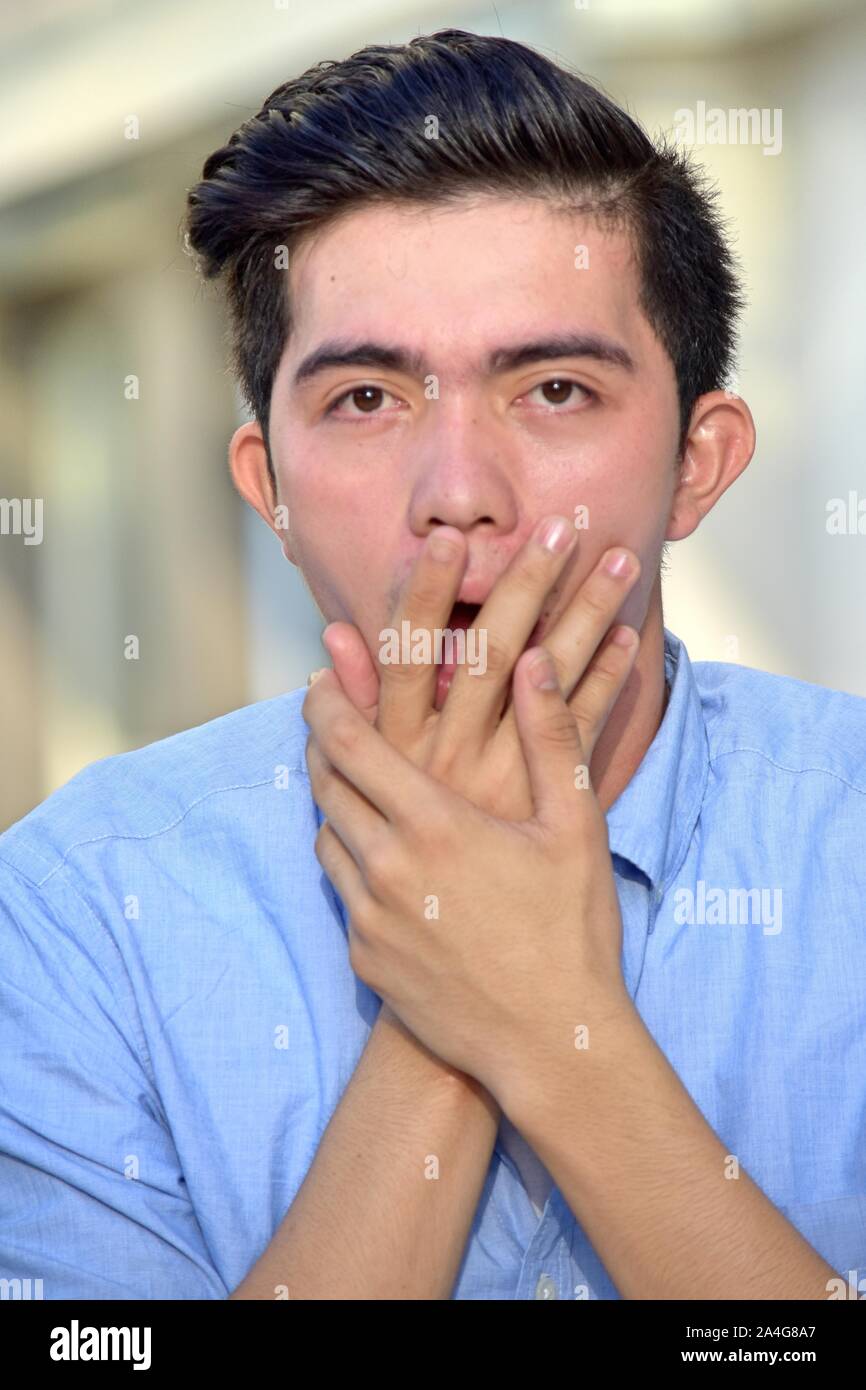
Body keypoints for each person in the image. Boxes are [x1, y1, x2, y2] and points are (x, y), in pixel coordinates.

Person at [2, 28, 864, 1302]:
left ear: (697, 462)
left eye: (555, 389)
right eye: (365, 400)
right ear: (270, 490)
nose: (458, 496)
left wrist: (548, 1032)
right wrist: (453, 991)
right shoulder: (78, 909)